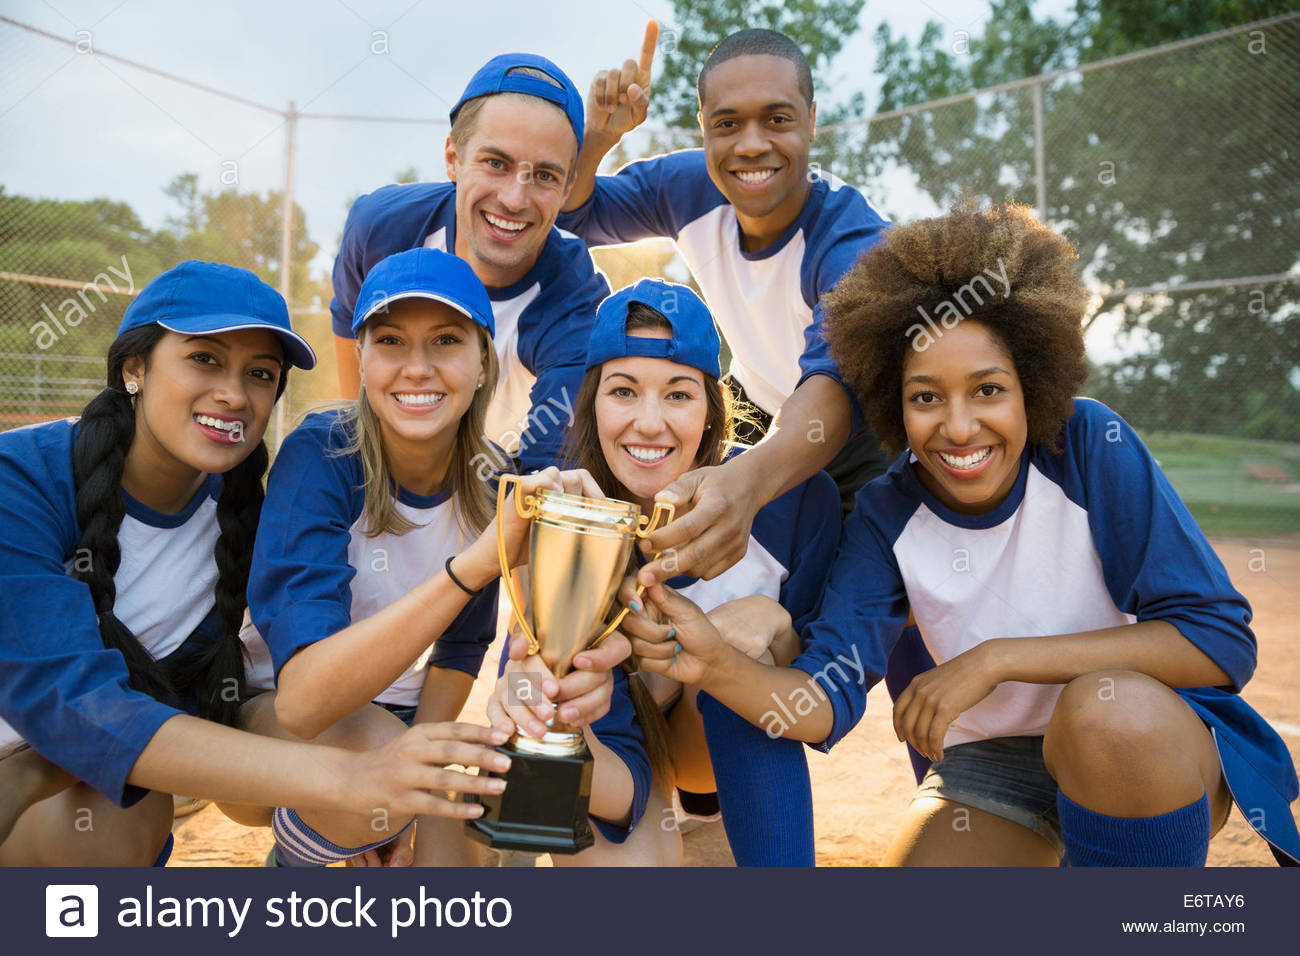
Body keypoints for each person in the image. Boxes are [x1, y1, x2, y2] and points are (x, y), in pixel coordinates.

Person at [631, 201, 1300, 866]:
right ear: (893, 403)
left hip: (1147, 740)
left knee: (1106, 713)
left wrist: (996, 659)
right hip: (997, 764)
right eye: (926, 396)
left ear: (1031, 385)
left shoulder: (1091, 445)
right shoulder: (886, 515)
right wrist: (713, 662)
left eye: (987, 390)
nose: (957, 426)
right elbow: (822, 701)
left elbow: (1218, 640)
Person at [0, 261, 508, 866]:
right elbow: (73, 703)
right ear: (134, 367)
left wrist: (382, 797)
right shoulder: (22, 478)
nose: (234, 394)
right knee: (112, 817)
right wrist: (358, 783)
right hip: (39, 765)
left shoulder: (237, 510)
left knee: (123, 813)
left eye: (260, 374)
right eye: (205, 359)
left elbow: (180, 694)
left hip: (75, 768)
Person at [238, 248, 646, 867]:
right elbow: (303, 702)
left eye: (446, 340)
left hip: (399, 716)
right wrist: (473, 567)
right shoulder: (322, 454)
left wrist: (416, 780)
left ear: (484, 362)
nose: (417, 368)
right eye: (392, 341)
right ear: (363, 358)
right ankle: (299, 864)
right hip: (273, 716)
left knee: (452, 851)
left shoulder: (493, 480)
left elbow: (460, 652)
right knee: (377, 765)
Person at [493, 278, 841, 866]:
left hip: (717, 753)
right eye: (623, 391)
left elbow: (816, 692)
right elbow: (529, 692)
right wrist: (545, 719)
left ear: (712, 408)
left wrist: (774, 624)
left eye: (678, 395)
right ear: (591, 403)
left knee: (748, 647)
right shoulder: (568, 513)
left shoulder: (792, 502)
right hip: (621, 764)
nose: (649, 424)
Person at [559, 24, 891, 584]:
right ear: (704, 129)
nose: (752, 143)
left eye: (778, 119)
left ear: (811, 121)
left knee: (846, 610)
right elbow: (572, 215)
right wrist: (596, 139)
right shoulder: (688, 186)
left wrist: (746, 485)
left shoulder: (851, 242)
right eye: (728, 124)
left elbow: (834, 382)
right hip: (756, 411)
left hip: (853, 435)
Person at [330, 52, 609, 473]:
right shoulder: (382, 230)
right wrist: (365, 466)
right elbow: (354, 382)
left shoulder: (576, 297)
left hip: (499, 468)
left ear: (570, 186)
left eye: (545, 176)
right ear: (452, 158)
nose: (515, 199)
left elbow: (546, 472)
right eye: (495, 163)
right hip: (394, 454)